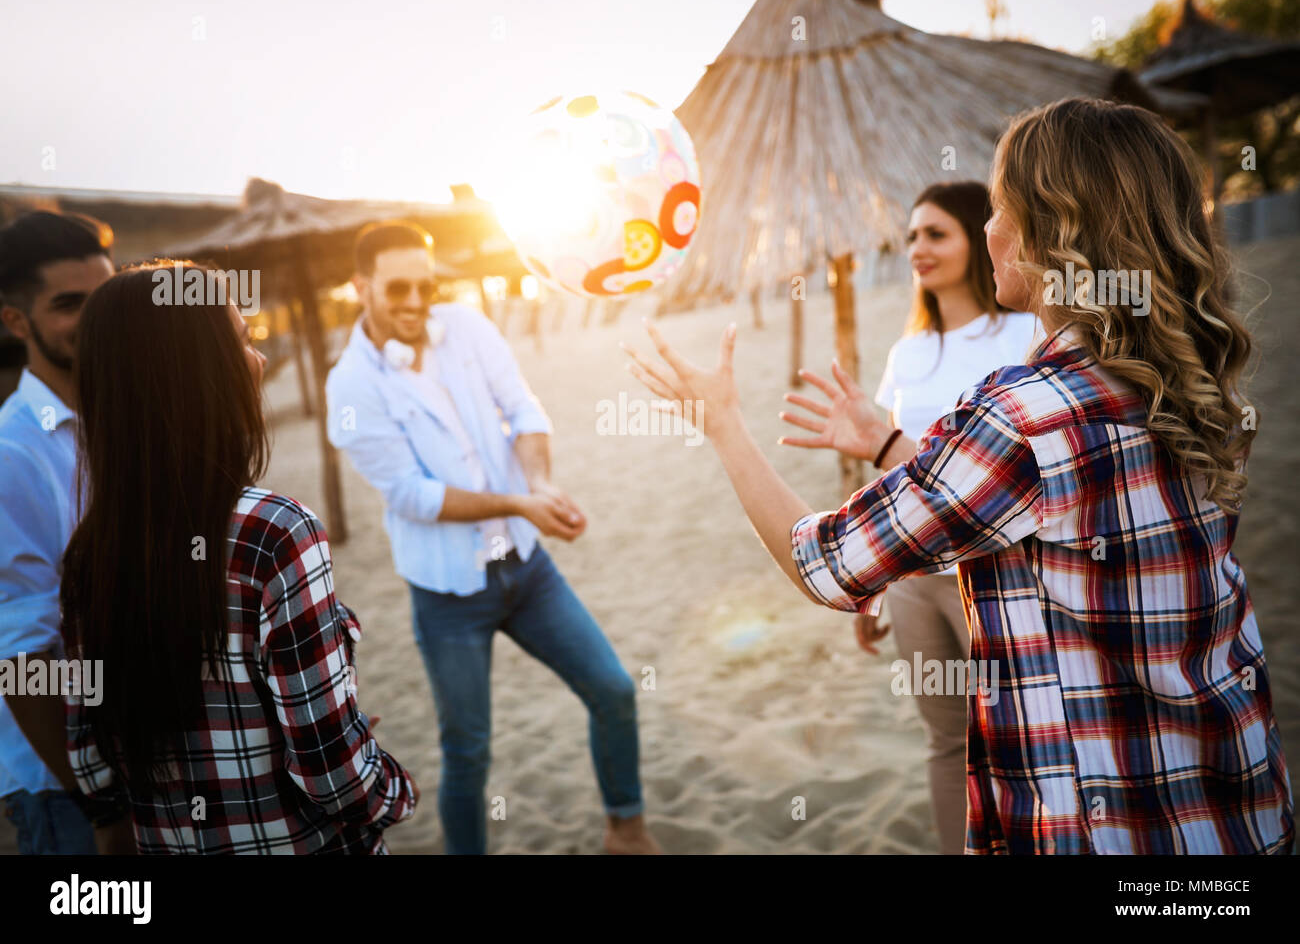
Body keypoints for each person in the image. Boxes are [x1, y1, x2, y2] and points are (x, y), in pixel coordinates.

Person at [624, 97, 1293, 854]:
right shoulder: (1201, 394)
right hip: (1241, 815)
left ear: (1050, 230)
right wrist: (886, 446)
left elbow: (826, 564)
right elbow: (1030, 514)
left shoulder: (1025, 415)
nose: (988, 229)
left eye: (999, 207)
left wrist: (722, 425)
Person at [60, 262, 418, 854]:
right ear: (198, 376)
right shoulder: (275, 534)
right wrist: (395, 785)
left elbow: (93, 766)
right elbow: (335, 778)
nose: (260, 361)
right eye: (245, 342)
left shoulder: (87, 558)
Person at [326, 221, 658, 855]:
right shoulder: (349, 386)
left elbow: (525, 407)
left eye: (426, 286)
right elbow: (412, 497)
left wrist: (541, 486)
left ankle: (628, 831)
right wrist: (519, 503)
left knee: (613, 690)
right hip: (448, 595)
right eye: (398, 288)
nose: (417, 302)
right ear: (360, 286)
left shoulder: (470, 328)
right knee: (468, 753)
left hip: (528, 572)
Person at [778, 181, 1040, 854]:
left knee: (1023, 744)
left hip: (1002, 577)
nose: (918, 248)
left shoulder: (1026, 333)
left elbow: (986, 476)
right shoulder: (907, 354)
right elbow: (897, 478)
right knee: (946, 741)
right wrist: (877, 583)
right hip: (915, 578)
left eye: (937, 234)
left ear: (979, 240)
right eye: (913, 235)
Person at [0, 211, 114, 855]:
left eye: (104, 300)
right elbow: (23, 661)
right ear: (16, 321)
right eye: (71, 305)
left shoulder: (119, 418)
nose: (96, 320)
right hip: (63, 790)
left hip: (145, 768)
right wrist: (100, 807)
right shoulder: (12, 455)